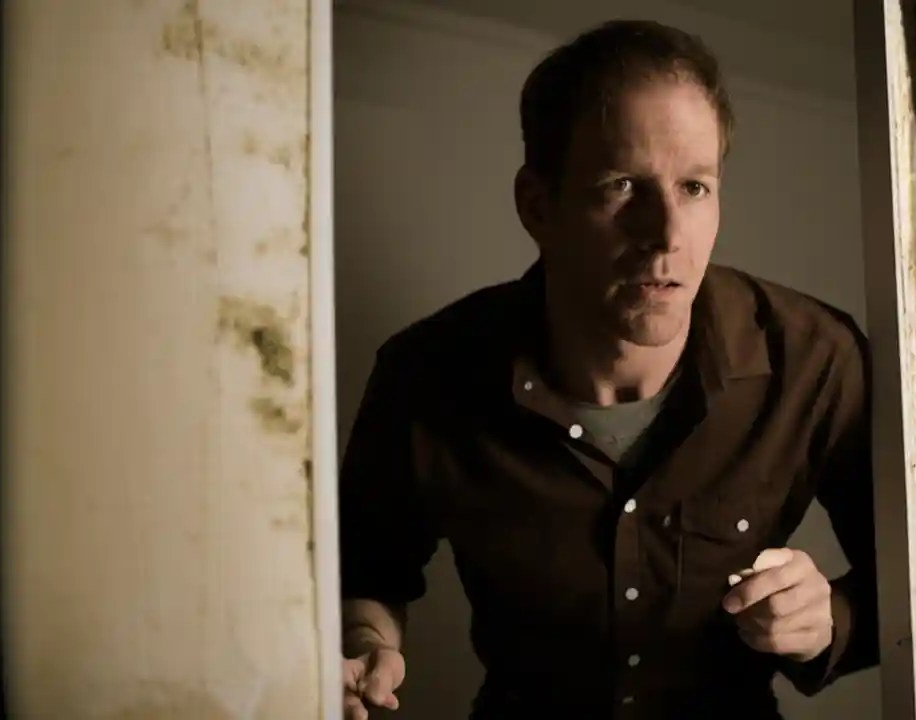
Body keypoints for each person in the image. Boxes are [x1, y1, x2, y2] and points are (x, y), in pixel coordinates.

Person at [339, 19, 878, 720]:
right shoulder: (427, 374)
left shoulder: (814, 358)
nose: (667, 236)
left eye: (695, 187)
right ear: (538, 205)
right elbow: (369, 570)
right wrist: (366, 647)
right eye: (623, 186)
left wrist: (827, 618)